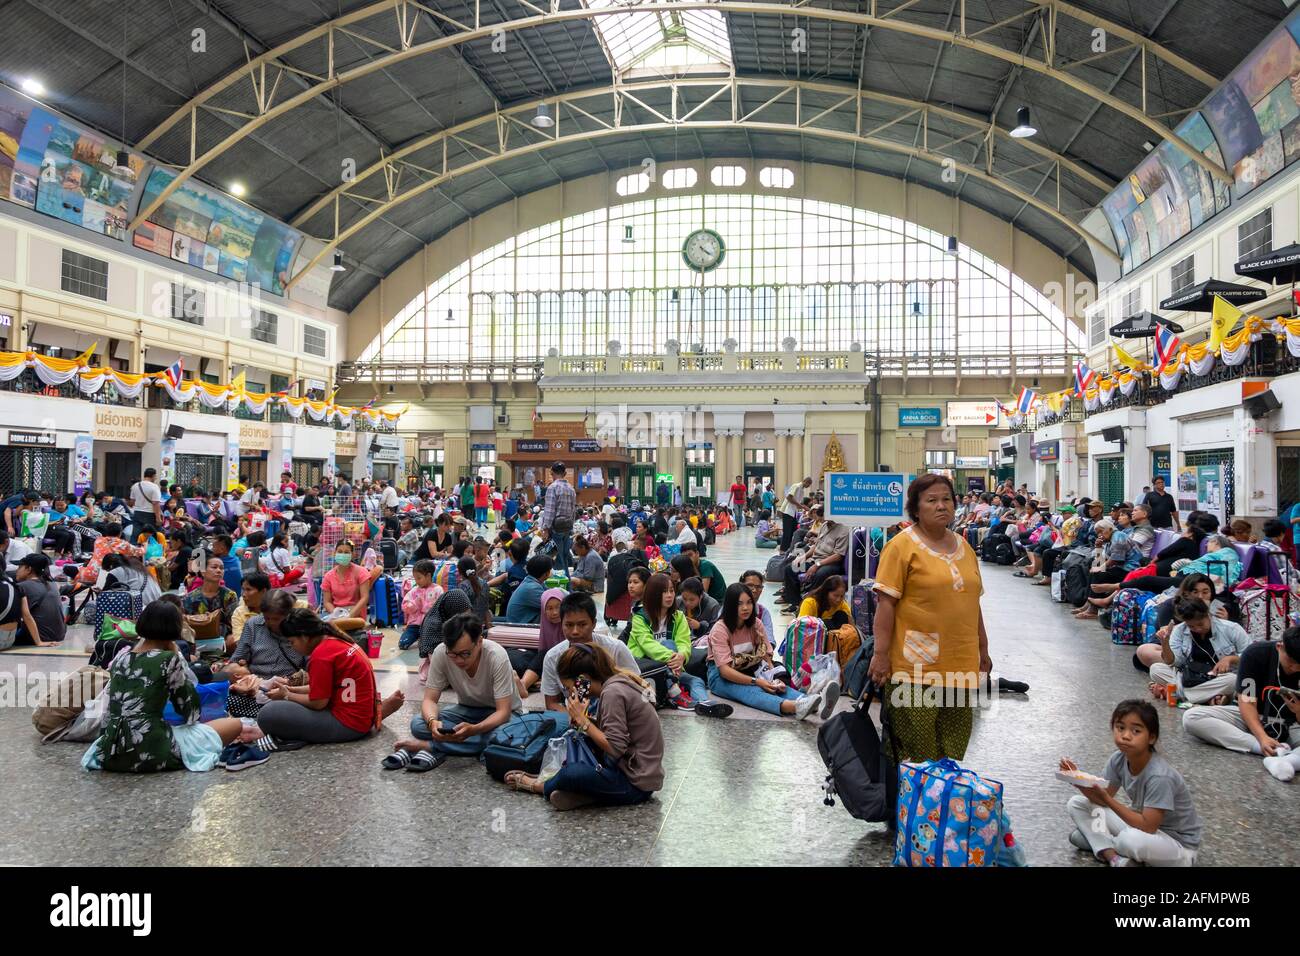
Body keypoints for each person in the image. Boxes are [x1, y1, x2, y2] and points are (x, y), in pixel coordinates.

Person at [870, 474, 990, 762]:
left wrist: (983, 650)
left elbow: (972, 604)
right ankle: (912, 806)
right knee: (918, 751)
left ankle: (942, 806)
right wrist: (880, 654)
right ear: (916, 508)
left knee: (952, 749)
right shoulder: (901, 546)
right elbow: (885, 605)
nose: (941, 506)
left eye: (946, 499)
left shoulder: (965, 548)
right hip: (915, 668)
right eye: (931, 500)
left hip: (960, 664)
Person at [82, 601, 244, 773]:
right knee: (234, 725)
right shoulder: (168, 659)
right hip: (150, 749)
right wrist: (178, 658)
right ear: (175, 628)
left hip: (111, 750)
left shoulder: (121, 659)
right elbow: (191, 712)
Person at [503, 641, 664, 810]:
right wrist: (581, 722)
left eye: (569, 687)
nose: (571, 693)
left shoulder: (613, 693)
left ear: (582, 680)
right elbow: (615, 732)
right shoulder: (616, 683)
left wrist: (584, 721)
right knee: (577, 738)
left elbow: (616, 747)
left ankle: (539, 785)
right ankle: (587, 796)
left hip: (635, 784)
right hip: (627, 770)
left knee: (572, 773)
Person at [1061, 700, 1200, 867]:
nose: (1125, 736)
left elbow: (1148, 827)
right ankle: (1114, 858)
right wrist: (1077, 780)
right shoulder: (1118, 759)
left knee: (1129, 839)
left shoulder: (1160, 776)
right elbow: (1100, 800)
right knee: (1077, 803)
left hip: (1178, 846)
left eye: (1136, 731)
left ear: (1152, 737)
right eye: (1120, 728)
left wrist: (1107, 800)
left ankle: (1097, 841)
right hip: (1143, 829)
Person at [386, 612, 524, 771]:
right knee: (418, 723)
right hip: (467, 711)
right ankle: (468, 745)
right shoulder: (440, 652)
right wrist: (432, 723)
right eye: (452, 654)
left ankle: (430, 746)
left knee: (502, 735)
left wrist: (474, 729)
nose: (458, 660)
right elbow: (429, 700)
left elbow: (503, 712)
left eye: (465, 654)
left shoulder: (496, 656)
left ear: (479, 641)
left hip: (507, 716)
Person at [257, 608, 402, 747]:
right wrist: (290, 689)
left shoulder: (321, 656)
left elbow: (318, 703)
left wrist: (287, 695)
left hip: (348, 724)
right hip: (359, 717)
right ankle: (376, 714)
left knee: (269, 714)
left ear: (305, 637)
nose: (292, 647)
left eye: (292, 642)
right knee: (281, 708)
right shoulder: (335, 640)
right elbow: (322, 687)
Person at [1183, 626, 1300, 780]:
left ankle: (1286, 762)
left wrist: (1298, 711)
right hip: (1253, 716)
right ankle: (1273, 750)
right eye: (1291, 661)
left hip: (1292, 724)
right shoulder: (1256, 654)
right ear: (1280, 647)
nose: (1295, 668)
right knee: (1191, 718)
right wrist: (1261, 738)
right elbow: (1247, 702)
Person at [707, 582, 833, 719]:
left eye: (749, 603)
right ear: (730, 606)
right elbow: (724, 671)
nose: (745, 608)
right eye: (739, 604)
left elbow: (766, 656)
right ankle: (794, 707)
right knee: (751, 691)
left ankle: (809, 701)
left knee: (776, 687)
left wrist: (772, 677)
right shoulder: (720, 629)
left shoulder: (756, 624)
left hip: (751, 668)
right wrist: (757, 681)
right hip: (720, 675)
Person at [627, 572, 729, 716]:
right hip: (648, 667)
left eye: (671, 590)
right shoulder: (639, 617)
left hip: (673, 666)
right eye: (664, 592)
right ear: (653, 594)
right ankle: (674, 691)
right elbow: (647, 645)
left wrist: (682, 656)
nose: (669, 595)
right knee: (668, 643)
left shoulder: (678, 616)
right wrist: (673, 656)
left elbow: (684, 641)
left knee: (696, 681)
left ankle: (704, 704)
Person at [1144, 598, 1251, 706]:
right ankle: (1209, 698)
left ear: (1208, 615)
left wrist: (1230, 659)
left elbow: (1251, 657)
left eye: (1201, 624)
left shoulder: (1232, 628)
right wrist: (1165, 644)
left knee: (1233, 681)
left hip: (1221, 677)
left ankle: (1177, 694)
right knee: (1155, 669)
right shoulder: (1179, 630)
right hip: (1191, 676)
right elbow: (1174, 662)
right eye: (1191, 626)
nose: (1197, 629)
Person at [12, 554, 65, 646]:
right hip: (58, 636)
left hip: (36, 637)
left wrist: (38, 642)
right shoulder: (52, 585)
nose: (17, 570)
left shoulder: (22, 587)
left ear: (29, 569)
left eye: (20, 567)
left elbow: (24, 615)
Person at [538, 461, 577, 577]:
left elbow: (550, 511)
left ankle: (562, 590)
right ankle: (568, 588)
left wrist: (545, 528)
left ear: (551, 472)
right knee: (564, 558)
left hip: (556, 528)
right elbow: (573, 510)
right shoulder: (571, 489)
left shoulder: (553, 487)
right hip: (568, 527)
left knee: (557, 561)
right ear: (565, 473)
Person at [320, 539, 371, 629]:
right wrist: (336, 614)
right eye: (340, 551)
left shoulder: (361, 572)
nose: (343, 554)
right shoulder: (328, 576)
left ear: (353, 554)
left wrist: (349, 616)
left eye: (346, 552)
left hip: (356, 615)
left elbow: (364, 598)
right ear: (334, 553)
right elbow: (327, 602)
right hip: (335, 614)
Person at [399, 559, 442, 650]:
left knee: (430, 645)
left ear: (428, 576)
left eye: (419, 578)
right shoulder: (414, 591)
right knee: (403, 644)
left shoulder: (438, 590)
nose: (417, 581)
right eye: (415, 578)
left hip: (431, 625)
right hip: (414, 625)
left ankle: (424, 638)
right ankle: (418, 637)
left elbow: (441, 607)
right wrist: (414, 605)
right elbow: (404, 605)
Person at [505, 554, 553, 624]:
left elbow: (549, 592)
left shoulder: (532, 581)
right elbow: (552, 603)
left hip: (527, 619)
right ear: (546, 573)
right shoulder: (532, 588)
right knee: (554, 613)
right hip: (520, 626)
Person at [230, 572, 271, 653]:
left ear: (263, 591)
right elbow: (240, 643)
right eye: (243, 589)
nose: (243, 594)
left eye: (248, 589)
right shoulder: (239, 612)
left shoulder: (278, 607)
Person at [779, 476, 812, 553]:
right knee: (787, 532)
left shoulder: (802, 491)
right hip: (788, 511)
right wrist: (800, 506)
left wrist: (805, 508)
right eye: (809, 484)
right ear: (805, 481)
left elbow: (798, 503)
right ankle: (782, 550)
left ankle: (789, 549)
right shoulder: (796, 486)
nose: (808, 486)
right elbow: (789, 497)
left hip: (793, 513)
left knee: (794, 531)